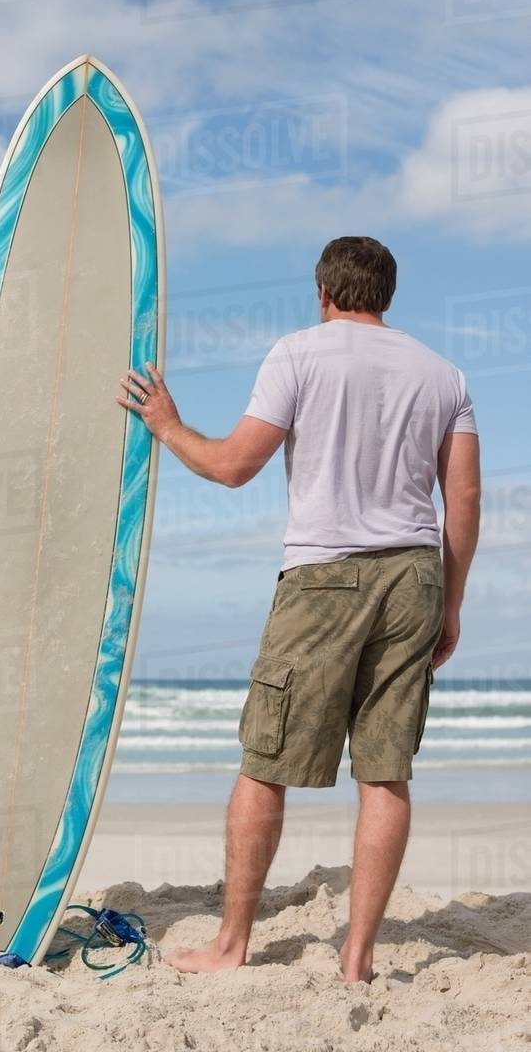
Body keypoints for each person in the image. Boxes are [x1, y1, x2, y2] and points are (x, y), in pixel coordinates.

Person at [116, 236, 481, 983]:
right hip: (415, 578)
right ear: (387, 294)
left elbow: (232, 466)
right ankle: (357, 958)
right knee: (385, 770)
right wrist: (450, 601)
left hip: (323, 577)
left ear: (323, 293)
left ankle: (232, 945)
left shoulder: (299, 352)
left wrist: (166, 425)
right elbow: (465, 503)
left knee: (265, 763)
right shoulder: (446, 375)